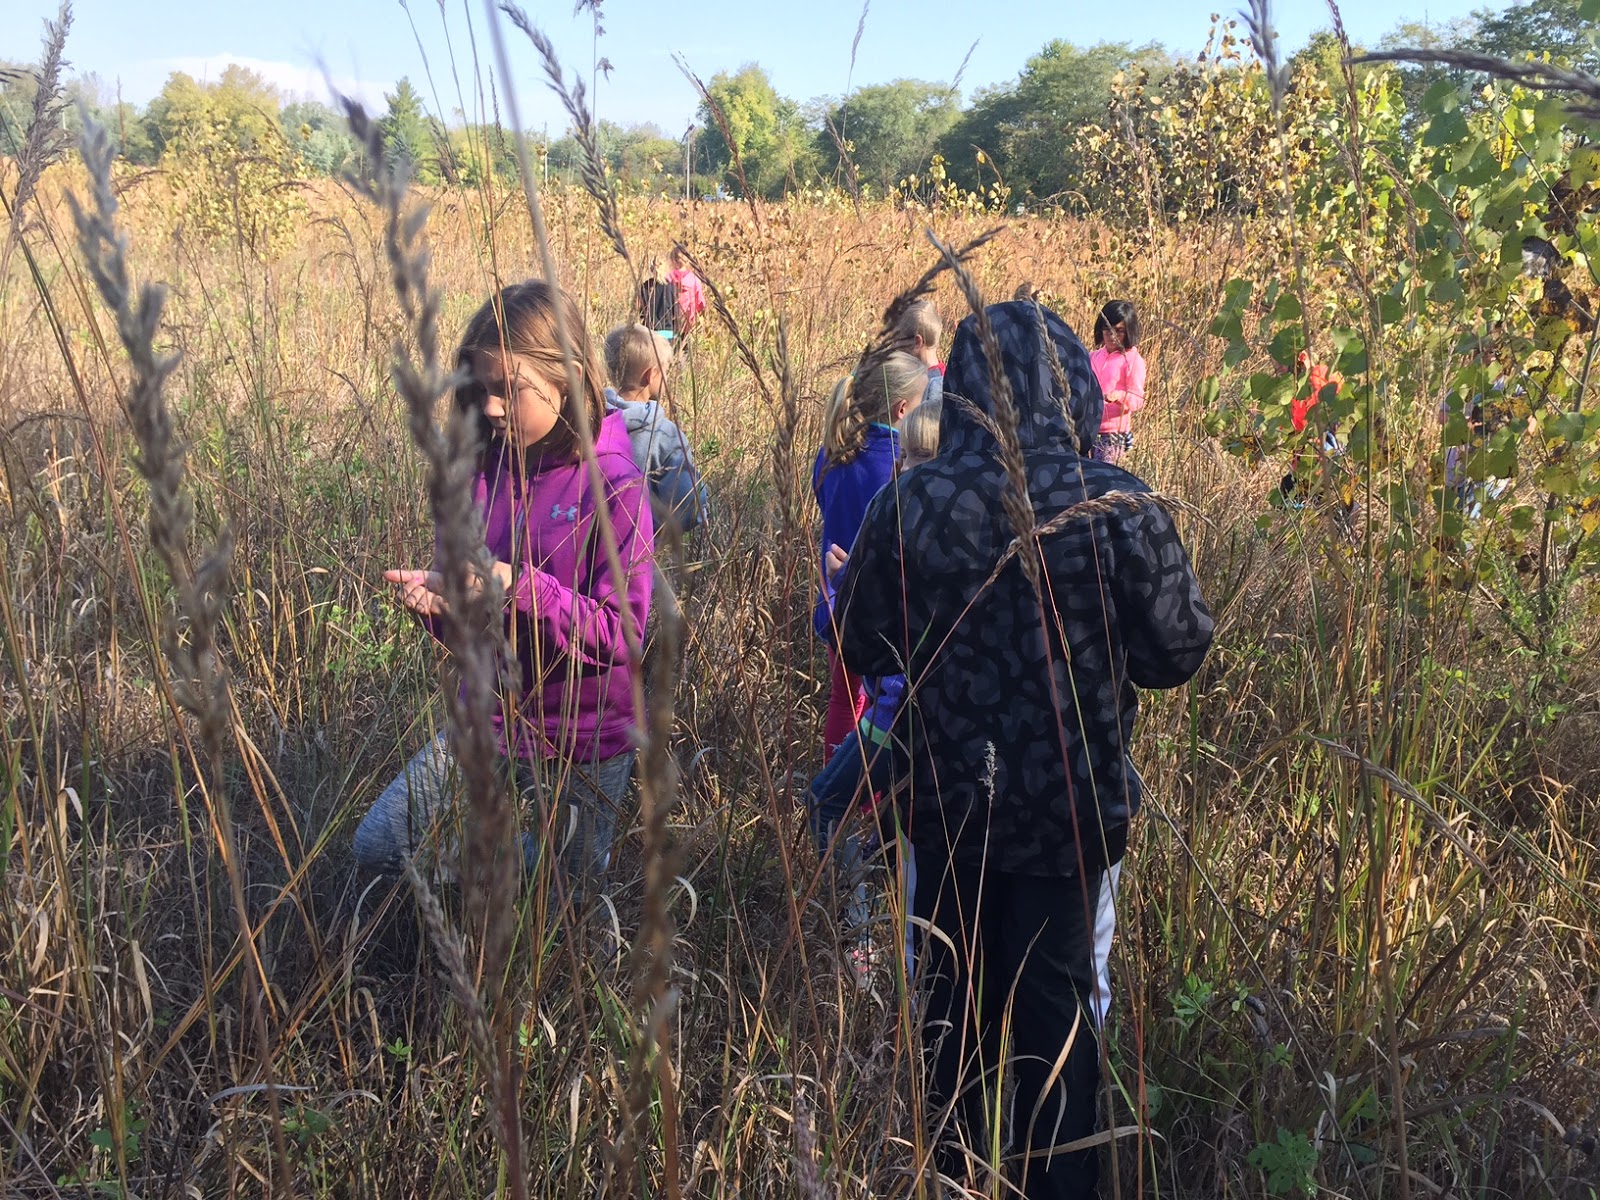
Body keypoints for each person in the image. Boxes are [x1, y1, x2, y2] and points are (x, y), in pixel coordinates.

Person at [834, 301, 1214, 1199]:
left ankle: (955, 1182)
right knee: (1059, 1052)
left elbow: (862, 647)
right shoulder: (1119, 505)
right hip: (1066, 820)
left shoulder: (910, 501)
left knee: (951, 1031)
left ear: (958, 388)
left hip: (949, 810)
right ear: (1074, 386)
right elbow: (1179, 652)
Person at [354, 281, 654, 905]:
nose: (489, 407)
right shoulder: (472, 470)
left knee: (563, 899)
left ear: (565, 375)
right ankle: (475, 903)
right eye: (478, 389)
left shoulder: (615, 485)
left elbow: (621, 633)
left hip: (586, 736)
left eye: (506, 389)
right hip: (489, 715)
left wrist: (520, 586)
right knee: (380, 848)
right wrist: (443, 607)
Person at [806, 396, 942, 979]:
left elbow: (854, 637)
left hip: (890, 722)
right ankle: (880, 924)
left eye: (911, 456)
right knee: (892, 832)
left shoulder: (903, 524)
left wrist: (839, 587)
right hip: (919, 723)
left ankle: (859, 940)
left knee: (827, 803)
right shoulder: (955, 526)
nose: (899, 465)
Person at [813, 350, 927, 759]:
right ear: (902, 409)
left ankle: (838, 788)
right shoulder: (899, 465)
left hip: (834, 602)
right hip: (878, 610)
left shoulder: (832, 451)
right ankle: (860, 794)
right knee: (877, 707)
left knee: (843, 699)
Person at [602, 322, 709, 534]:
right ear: (650, 375)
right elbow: (689, 506)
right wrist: (653, 531)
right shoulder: (666, 435)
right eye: (665, 372)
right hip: (640, 550)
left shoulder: (590, 419)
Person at [1089, 299, 1148, 466]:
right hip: (1088, 430)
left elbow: (1137, 399)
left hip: (1113, 434)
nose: (1111, 335)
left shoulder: (1133, 360)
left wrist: (1119, 396)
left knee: (1103, 480)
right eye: (1107, 328)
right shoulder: (1093, 356)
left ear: (1129, 331)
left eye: (1119, 331)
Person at [896, 299, 945, 404]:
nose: (895, 346)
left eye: (899, 340)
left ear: (917, 342)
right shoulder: (944, 376)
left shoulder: (936, 387)